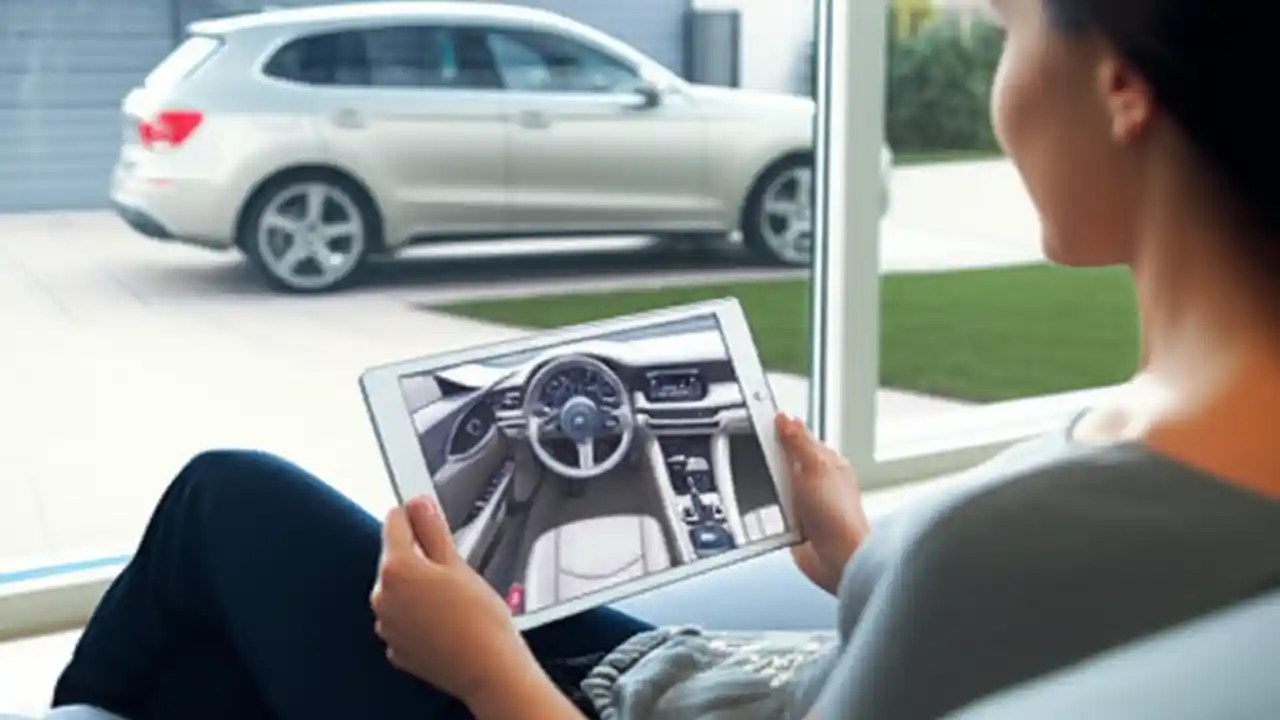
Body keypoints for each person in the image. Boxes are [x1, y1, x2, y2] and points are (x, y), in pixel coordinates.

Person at [49, 0, 1280, 717]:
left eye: (1005, 28)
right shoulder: (1191, 485)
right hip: (721, 681)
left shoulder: (1001, 548)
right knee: (219, 666)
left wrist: (485, 670)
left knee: (223, 501)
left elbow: (992, 599)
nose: (999, 85)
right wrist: (857, 557)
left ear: (1119, 86)